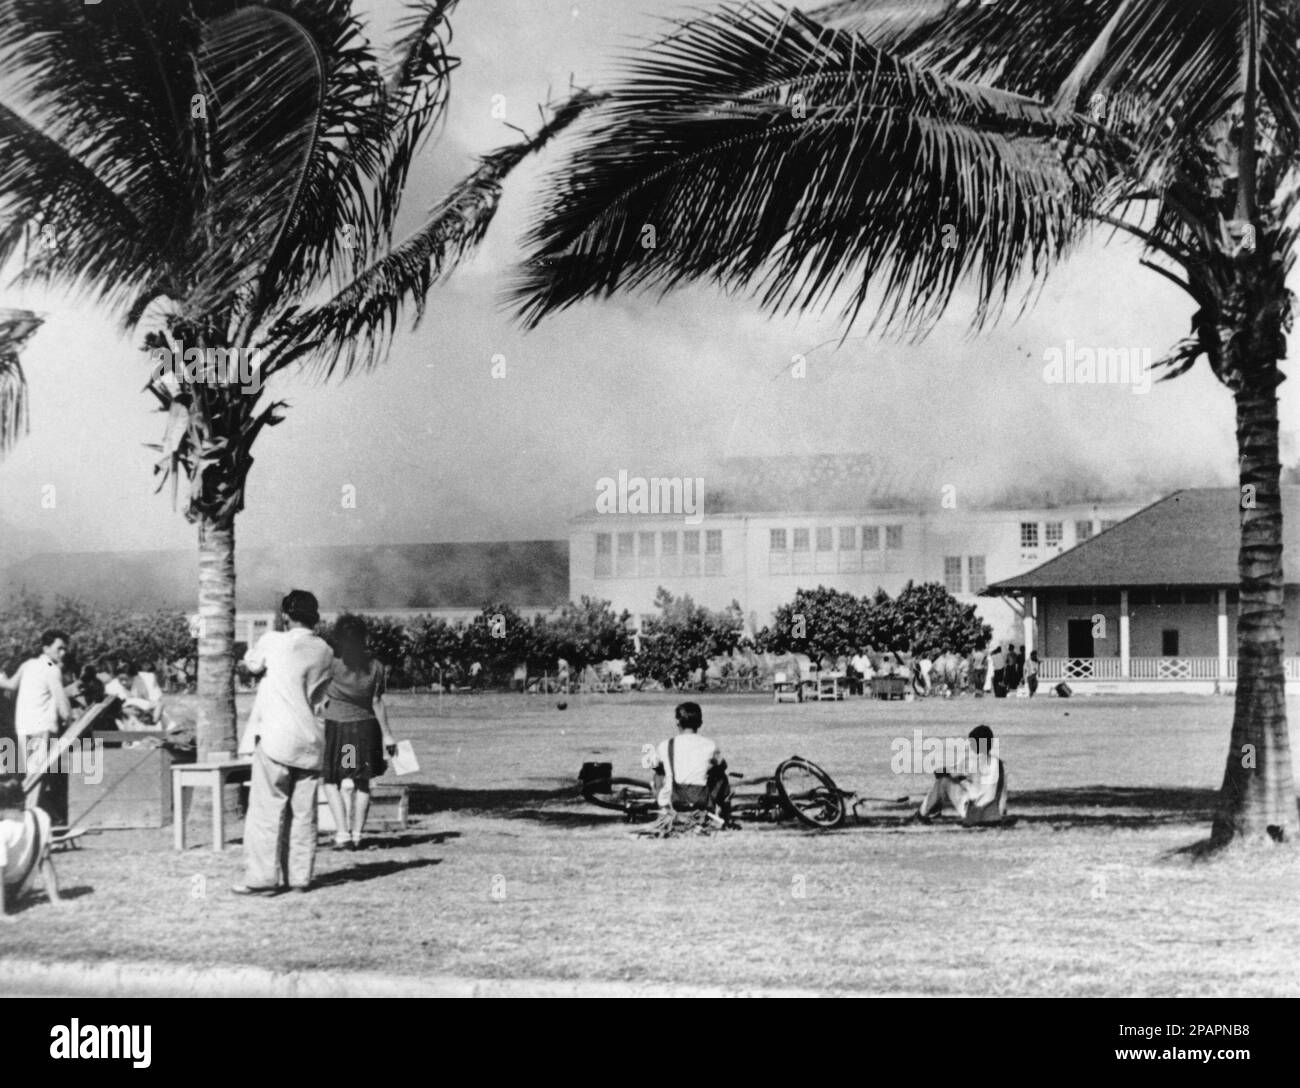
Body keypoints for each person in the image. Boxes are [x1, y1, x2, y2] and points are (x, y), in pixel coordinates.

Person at [234, 590, 333, 897]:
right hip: (311, 740)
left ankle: (262, 879)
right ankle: (300, 877)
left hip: (276, 738)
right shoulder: (326, 651)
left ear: (285, 616)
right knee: (304, 813)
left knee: (266, 811)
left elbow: (251, 665)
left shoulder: (272, 641)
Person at [320, 615, 397, 851]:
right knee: (361, 781)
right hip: (365, 730)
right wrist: (387, 735)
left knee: (333, 780)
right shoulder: (376, 667)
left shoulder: (331, 664)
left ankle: (343, 834)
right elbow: (377, 702)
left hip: (341, 731)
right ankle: (357, 835)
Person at [0, 631, 72, 811]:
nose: (63, 653)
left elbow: (9, 684)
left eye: (64, 649)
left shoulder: (28, 664)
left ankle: (29, 813)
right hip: (42, 728)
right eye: (59, 648)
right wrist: (71, 720)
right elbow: (63, 707)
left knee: (32, 774)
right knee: (38, 777)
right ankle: (31, 818)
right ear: (46, 648)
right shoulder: (52, 669)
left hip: (24, 727)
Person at [646, 702, 732, 821]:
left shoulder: (665, 745)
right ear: (700, 723)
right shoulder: (710, 745)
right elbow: (723, 765)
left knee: (659, 774)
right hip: (700, 799)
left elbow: (655, 766)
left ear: (677, 721)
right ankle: (723, 810)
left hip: (673, 798)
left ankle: (663, 807)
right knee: (720, 775)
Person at [915, 724, 1008, 826]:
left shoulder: (970, 762)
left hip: (974, 816)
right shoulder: (999, 764)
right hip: (994, 816)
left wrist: (959, 779)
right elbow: (1002, 795)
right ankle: (933, 811)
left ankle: (922, 814)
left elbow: (939, 772)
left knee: (943, 782)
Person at [0, 776, 64, 920]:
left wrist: (1, 915)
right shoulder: (40, 817)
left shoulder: (2, 830)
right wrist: (55, 899)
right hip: (18, 892)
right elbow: (45, 860)